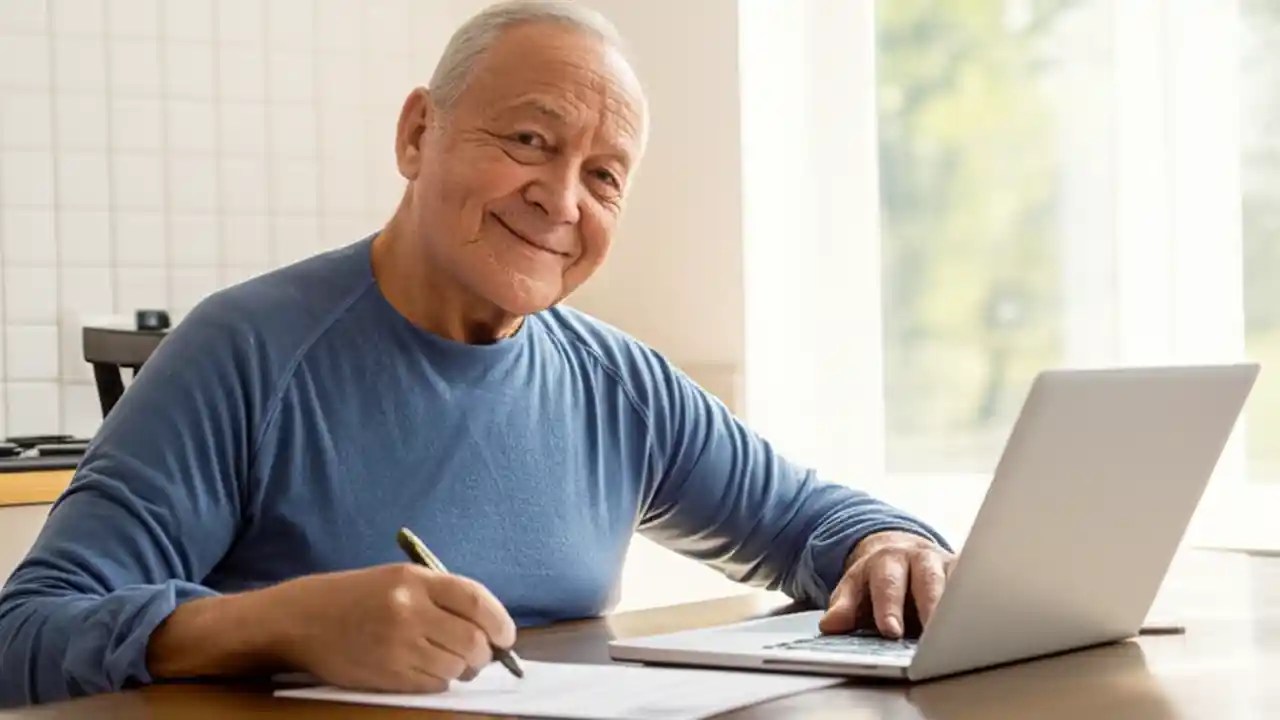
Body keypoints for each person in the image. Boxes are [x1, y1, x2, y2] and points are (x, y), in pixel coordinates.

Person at [0, 0, 954, 707]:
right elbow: (24, 635)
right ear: (420, 133)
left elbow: (807, 522)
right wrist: (279, 625)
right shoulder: (242, 353)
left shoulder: (620, 384)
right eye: (530, 140)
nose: (562, 199)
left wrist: (891, 546)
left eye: (604, 176)